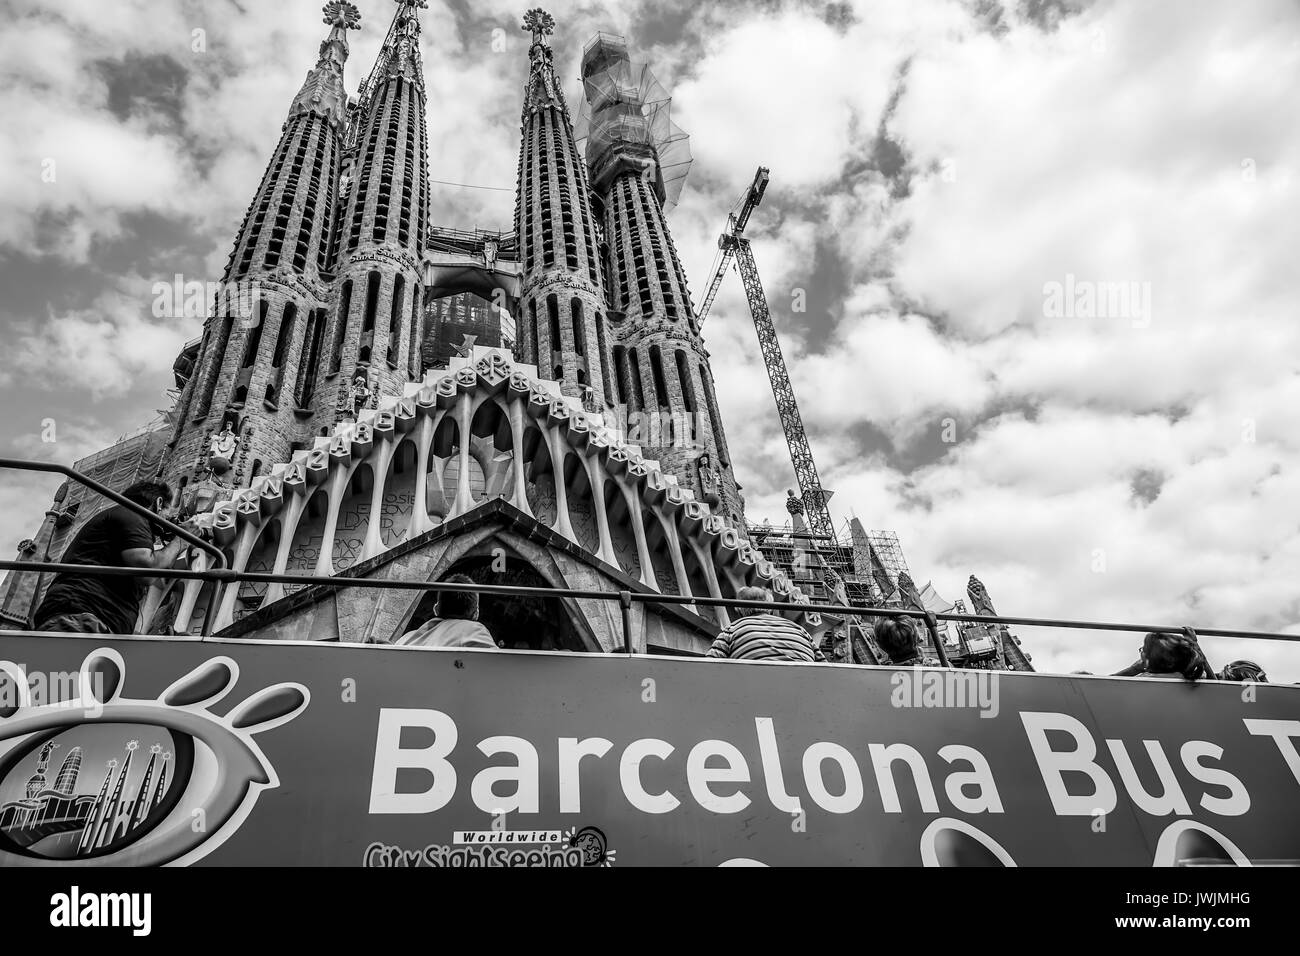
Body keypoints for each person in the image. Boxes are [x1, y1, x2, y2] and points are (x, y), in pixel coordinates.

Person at [33, 480, 189, 635]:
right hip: (83, 617)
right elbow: (146, 571)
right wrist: (181, 540)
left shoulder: (120, 519)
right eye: (169, 513)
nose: (169, 522)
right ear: (159, 503)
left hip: (97, 621)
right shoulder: (132, 515)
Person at [707, 586, 825, 662]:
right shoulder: (800, 630)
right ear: (770, 607)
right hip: (804, 689)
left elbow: (709, 665)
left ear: (740, 609)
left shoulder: (733, 629)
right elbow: (824, 666)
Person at [395, 574, 498, 649]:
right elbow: (498, 667)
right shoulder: (473, 631)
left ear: (436, 609)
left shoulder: (405, 640)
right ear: (476, 614)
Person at [1121, 630, 1207, 680]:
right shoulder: (1193, 679)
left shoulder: (1140, 680)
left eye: (1143, 650)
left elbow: (1108, 685)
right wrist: (1194, 644)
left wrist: (1132, 669)